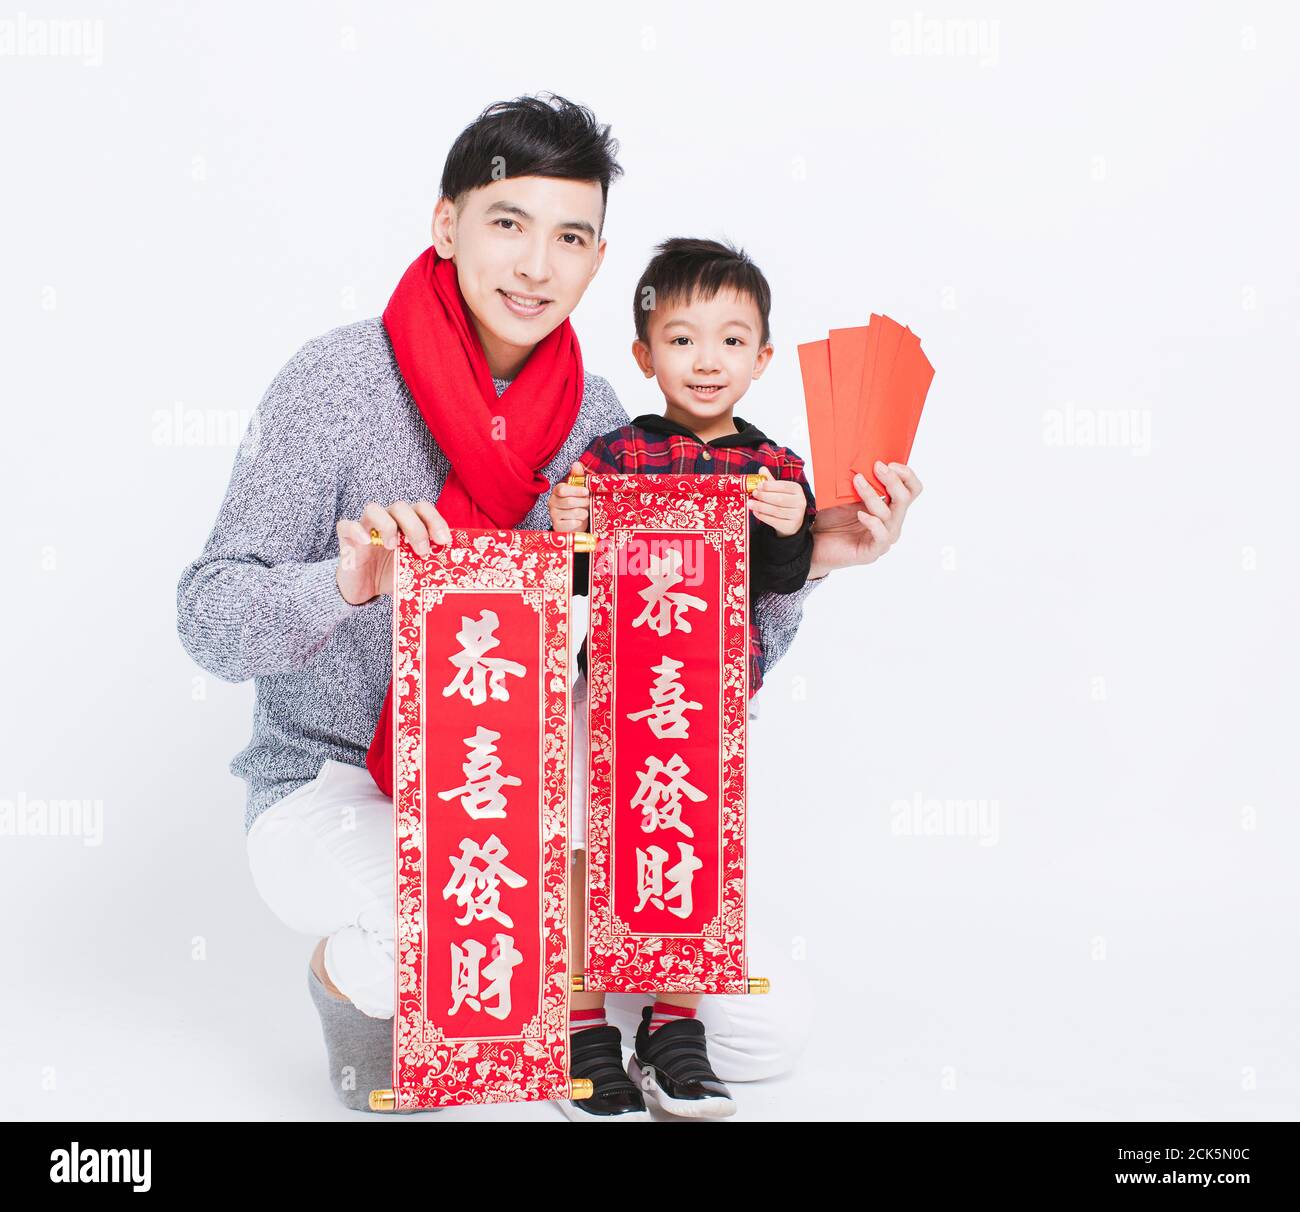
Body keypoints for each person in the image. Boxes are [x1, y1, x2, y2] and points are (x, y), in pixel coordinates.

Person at [174, 92, 922, 1117]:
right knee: (450, 942)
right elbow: (206, 614)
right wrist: (342, 584)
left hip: (532, 794)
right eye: (507, 224)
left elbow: (682, 677)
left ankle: (567, 994)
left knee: (764, 1032)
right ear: (447, 226)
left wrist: (805, 561)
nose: (535, 267)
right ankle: (357, 983)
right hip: (339, 779)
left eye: (567, 236)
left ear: (598, 260)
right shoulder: (338, 382)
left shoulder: (603, 426)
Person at [547, 236, 818, 1121]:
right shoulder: (615, 457)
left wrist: (787, 527)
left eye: (733, 340)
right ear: (644, 355)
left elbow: (781, 580)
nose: (708, 361)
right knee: (595, 847)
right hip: (618, 695)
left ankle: (674, 1030)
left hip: (704, 700)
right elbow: (575, 579)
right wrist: (571, 523)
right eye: (683, 338)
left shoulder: (774, 469)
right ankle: (584, 1026)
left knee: (693, 851)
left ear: (763, 358)